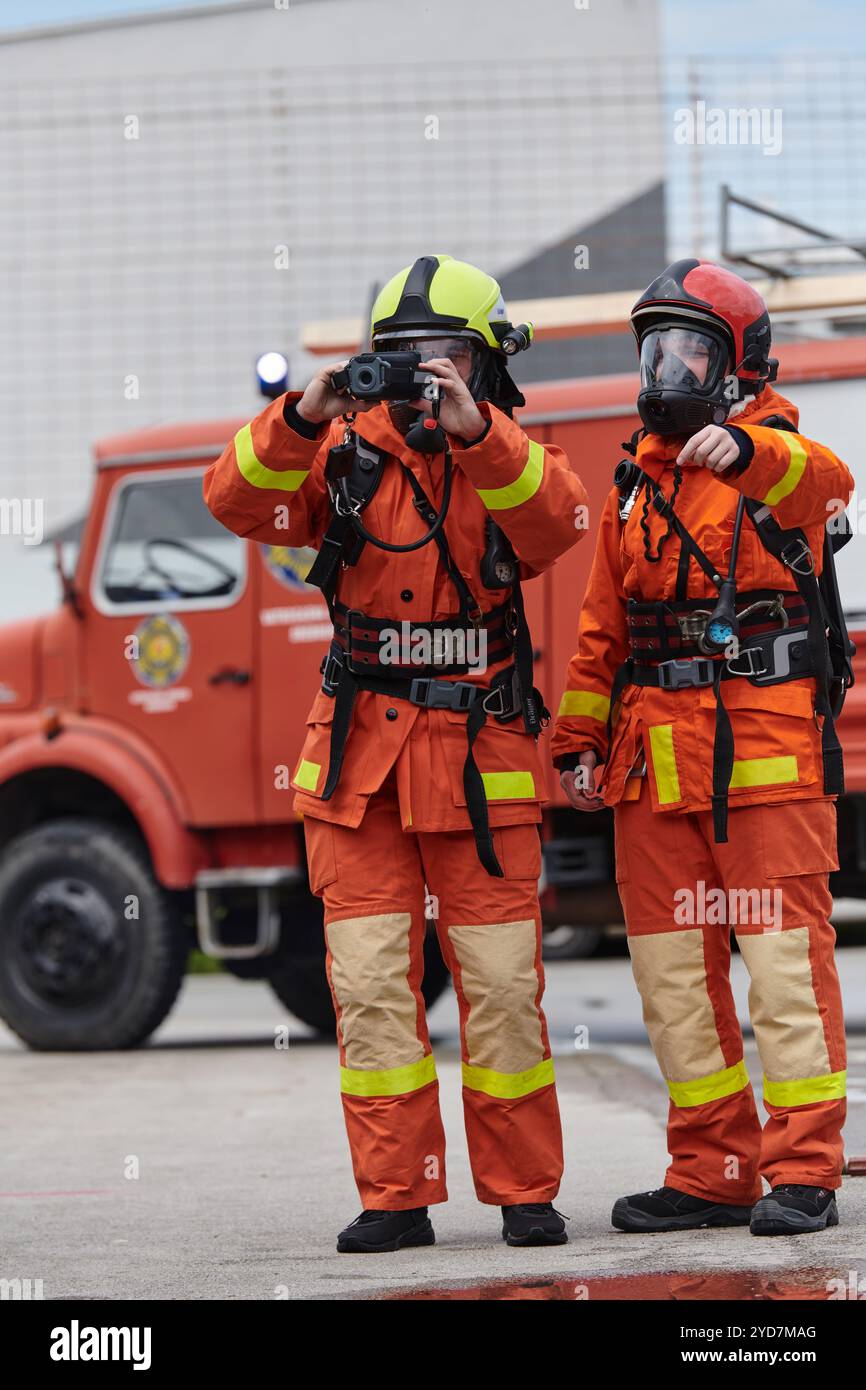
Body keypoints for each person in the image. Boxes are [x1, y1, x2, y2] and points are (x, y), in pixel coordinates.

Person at [204, 254, 588, 1251]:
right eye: (404, 360)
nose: (424, 378)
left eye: (447, 358)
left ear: (489, 364)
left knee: (502, 988)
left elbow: (559, 524)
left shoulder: (507, 459)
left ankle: (522, 1190)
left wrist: (478, 435)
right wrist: (301, 412)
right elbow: (232, 503)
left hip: (480, 769)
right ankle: (396, 1195)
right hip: (358, 775)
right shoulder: (338, 458)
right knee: (372, 988)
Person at [551, 259, 853, 1237]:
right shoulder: (633, 481)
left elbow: (827, 482)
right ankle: (712, 1167)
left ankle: (801, 1169)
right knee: (674, 979)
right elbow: (600, 628)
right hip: (653, 770)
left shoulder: (775, 453)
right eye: (653, 347)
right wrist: (576, 736)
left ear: (735, 367)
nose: (664, 367)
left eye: (686, 347)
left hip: (759, 764)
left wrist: (748, 455)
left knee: (778, 971)